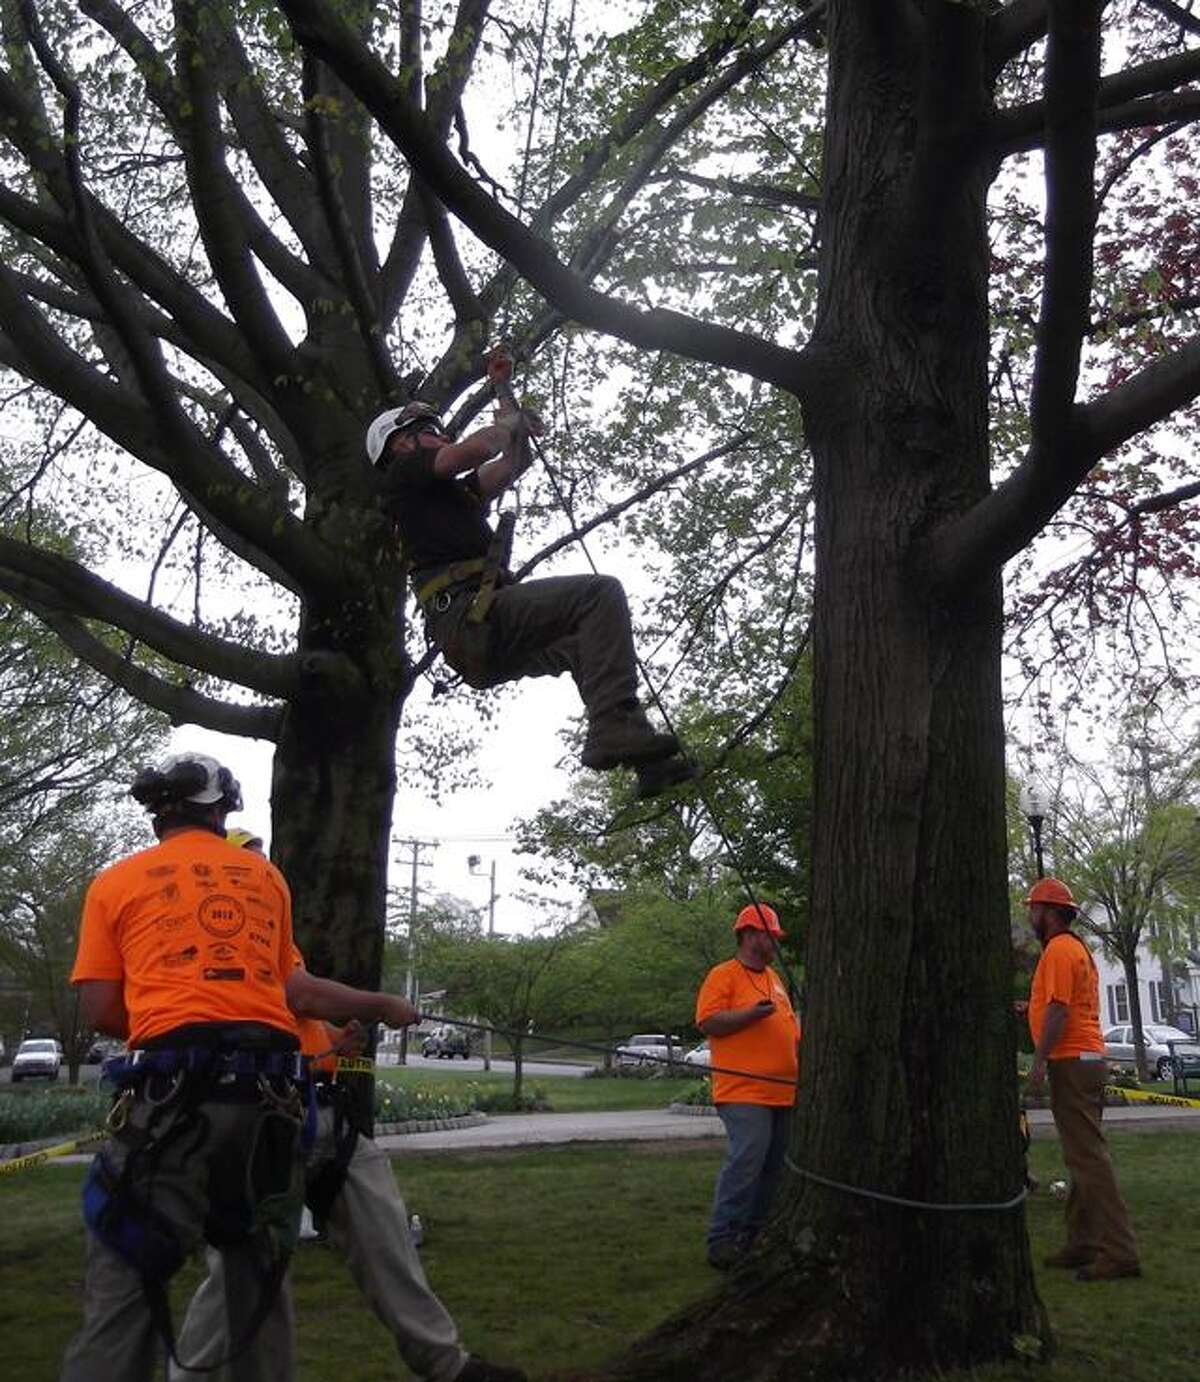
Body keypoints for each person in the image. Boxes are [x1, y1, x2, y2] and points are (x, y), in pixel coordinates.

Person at [171, 831, 527, 1382]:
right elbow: (301, 993)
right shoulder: (225, 948)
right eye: (249, 866)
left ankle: (446, 1364)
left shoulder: (269, 936)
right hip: (260, 1124)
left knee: (381, 1234)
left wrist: (336, 1040)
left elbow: (297, 1016)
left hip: (315, 1115)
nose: (260, 877)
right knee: (243, 1266)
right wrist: (383, 1004)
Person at [62, 753, 306, 1382]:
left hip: (170, 1107)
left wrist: (164, 1023)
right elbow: (281, 987)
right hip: (267, 1105)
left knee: (125, 1263)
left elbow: (100, 1008)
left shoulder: (116, 882)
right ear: (221, 812)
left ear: (156, 813)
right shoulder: (267, 879)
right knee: (257, 1274)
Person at [369, 353, 693, 799]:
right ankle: (614, 730)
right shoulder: (403, 476)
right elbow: (480, 448)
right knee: (598, 595)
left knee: (584, 643)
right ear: (401, 445)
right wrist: (508, 424)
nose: (442, 436)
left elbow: (512, 463)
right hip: (468, 617)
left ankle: (642, 758)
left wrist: (503, 394)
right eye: (430, 431)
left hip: (479, 635)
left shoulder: (448, 495)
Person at [1025, 877, 1140, 1281]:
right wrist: (1029, 1008)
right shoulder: (1076, 949)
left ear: (1050, 913)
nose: (1030, 915)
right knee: (1083, 1154)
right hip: (1088, 1058)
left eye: (1034, 908)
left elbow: (1059, 1010)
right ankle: (1083, 1242)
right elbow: (1060, 1005)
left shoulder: (1058, 949)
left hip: (1072, 1061)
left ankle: (1120, 1251)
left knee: (1088, 1157)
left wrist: (1039, 1061)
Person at [694, 903, 801, 1270]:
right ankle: (722, 1238)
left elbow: (788, 1029)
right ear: (750, 935)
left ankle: (754, 1236)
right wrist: (751, 1015)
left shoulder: (775, 978)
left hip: (784, 1090)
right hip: (744, 1091)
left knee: (774, 1168)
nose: (775, 943)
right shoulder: (723, 975)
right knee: (746, 1160)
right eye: (771, 935)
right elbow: (708, 1021)